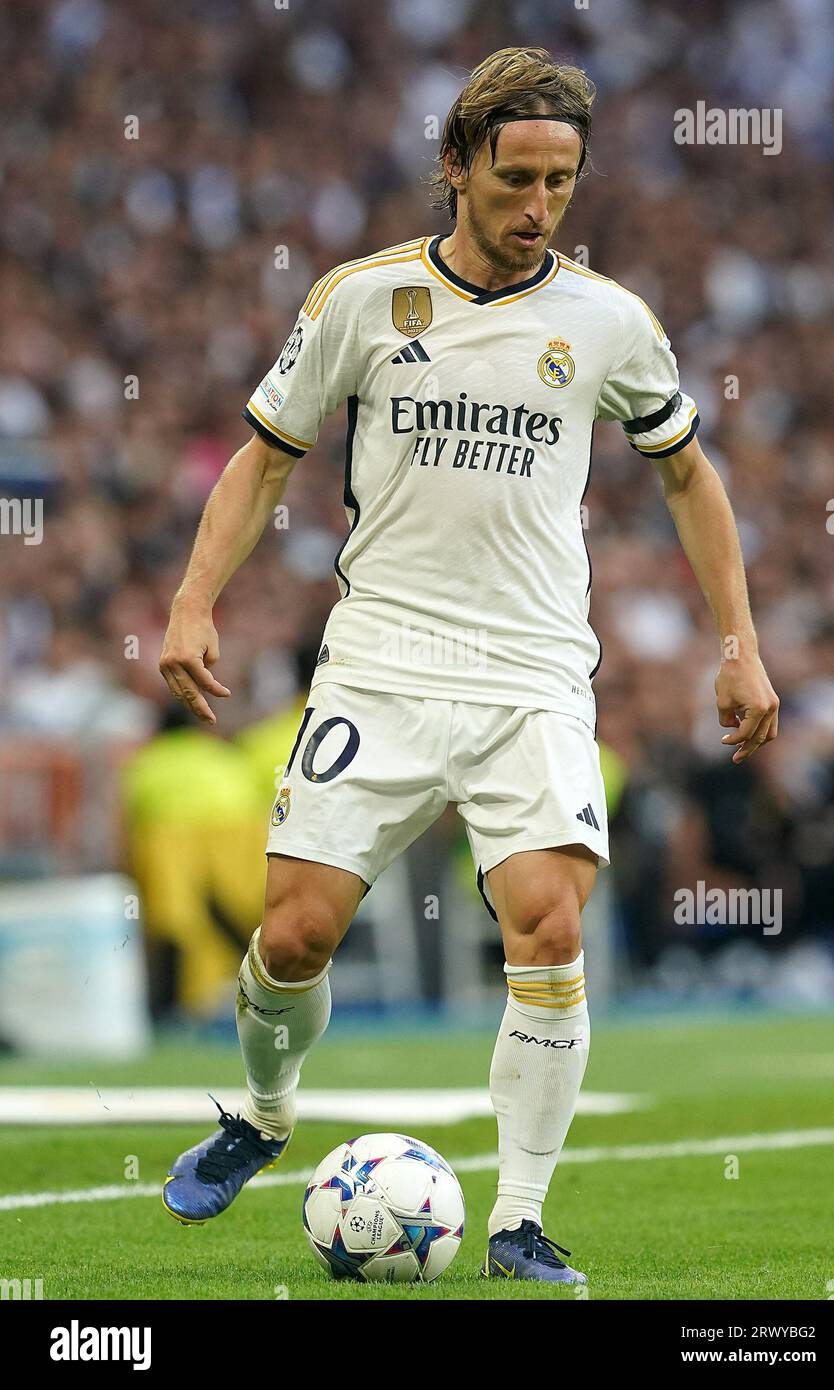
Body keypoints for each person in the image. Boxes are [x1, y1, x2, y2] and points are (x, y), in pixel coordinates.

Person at [158, 47, 779, 1283]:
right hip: (379, 661)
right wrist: (190, 599)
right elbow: (265, 457)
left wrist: (738, 643)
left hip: (532, 675)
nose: (537, 207)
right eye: (514, 179)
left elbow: (686, 477)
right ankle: (265, 1114)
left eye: (559, 182)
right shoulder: (360, 299)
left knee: (546, 925)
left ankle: (517, 1218)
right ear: (455, 166)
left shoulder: (607, 322)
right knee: (291, 936)